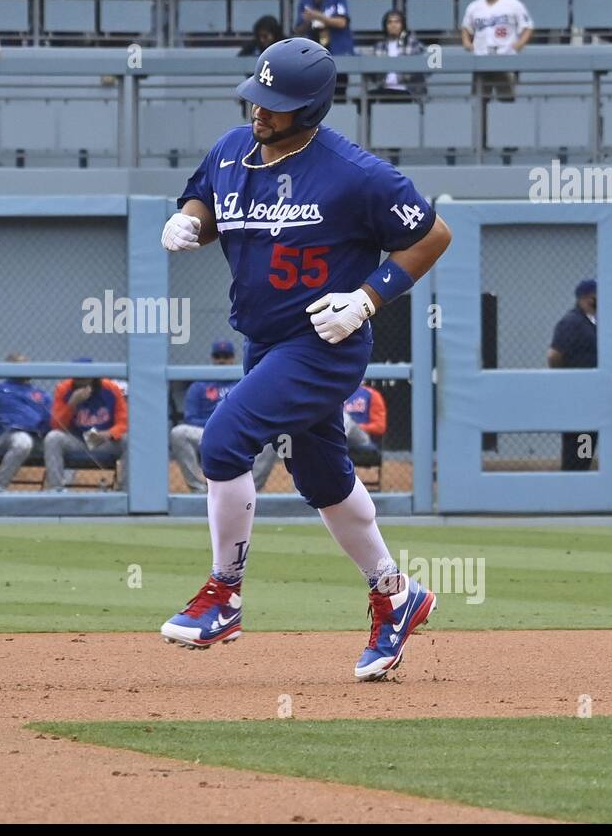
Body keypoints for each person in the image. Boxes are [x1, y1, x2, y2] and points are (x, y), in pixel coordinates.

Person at [159, 37, 451, 679]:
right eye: (256, 97)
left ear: (312, 107)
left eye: (276, 103)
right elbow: (204, 199)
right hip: (264, 342)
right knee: (322, 479)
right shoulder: (232, 149)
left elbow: (432, 236)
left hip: (324, 343)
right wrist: (190, 221)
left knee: (224, 441)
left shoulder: (357, 173)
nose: (259, 111)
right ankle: (396, 594)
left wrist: (368, 298)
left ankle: (224, 594)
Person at [169, 340, 278, 494]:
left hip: (240, 433)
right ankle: (200, 490)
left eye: (226, 356)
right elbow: (191, 418)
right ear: (212, 358)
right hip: (207, 433)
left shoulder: (244, 381)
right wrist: (218, 424)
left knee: (273, 438)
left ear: (233, 358)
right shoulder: (200, 385)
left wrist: (234, 426)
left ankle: (250, 490)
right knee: (179, 433)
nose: (222, 360)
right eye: (218, 356)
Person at [460, 0, 532, 157]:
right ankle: (481, 142)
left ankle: (509, 141)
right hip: (481, 59)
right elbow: (466, 28)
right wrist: (467, 43)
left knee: (507, 101)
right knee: (481, 101)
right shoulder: (475, 6)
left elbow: (527, 27)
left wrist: (517, 46)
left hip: (504, 58)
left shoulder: (512, 4)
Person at [0, 354, 51, 492]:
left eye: (28, 366)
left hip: (38, 437)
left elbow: (52, 419)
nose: (27, 369)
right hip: (8, 435)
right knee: (23, 441)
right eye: (21, 366)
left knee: (58, 443)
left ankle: (56, 490)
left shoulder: (41, 394)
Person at [43, 371, 127, 491]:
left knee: (128, 440)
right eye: (77, 378)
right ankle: (56, 490)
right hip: (77, 440)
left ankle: (125, 490)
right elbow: (56, 425)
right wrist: (72, 404)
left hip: (103, 441)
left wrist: (109, 433)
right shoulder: (64, 389)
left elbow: (123, 423)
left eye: (84, 378)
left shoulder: (111, 388)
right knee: (53, 437)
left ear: (93, 377)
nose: (80, 382)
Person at [547, 279, 598, 472]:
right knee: (578, 442)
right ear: (588, 297)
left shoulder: (590, 323)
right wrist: (566, 380)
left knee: (586, 441)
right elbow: (554, 355)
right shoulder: (572, 323)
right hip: (578, 396)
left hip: (589, 396)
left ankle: (581, 474)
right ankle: (574, 478)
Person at [294, 0, 353, 102]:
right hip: (314, 54)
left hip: (338, 50)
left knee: (339, 93)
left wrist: (318, 16)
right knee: (315, 93)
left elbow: (342, 22)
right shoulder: (305, 1)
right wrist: (307, 22)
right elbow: (299, 30)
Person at [368, 8, 424, 101]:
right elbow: (371, 72)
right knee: (363, 99)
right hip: (384, 89)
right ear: (385, 26)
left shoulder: (412, 44)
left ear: (402, 25)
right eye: (389, 22)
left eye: (397, 22)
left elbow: (421, 68)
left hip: (407, 91)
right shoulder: (378, 47)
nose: (393, 25)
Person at [343, 383, 386, 459]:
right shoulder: (337, 392)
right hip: (341, 432)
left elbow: (380, 427)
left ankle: (336, 443)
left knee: (345, 417)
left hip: (362, 438)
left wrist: (359, 427)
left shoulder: (370, 394)